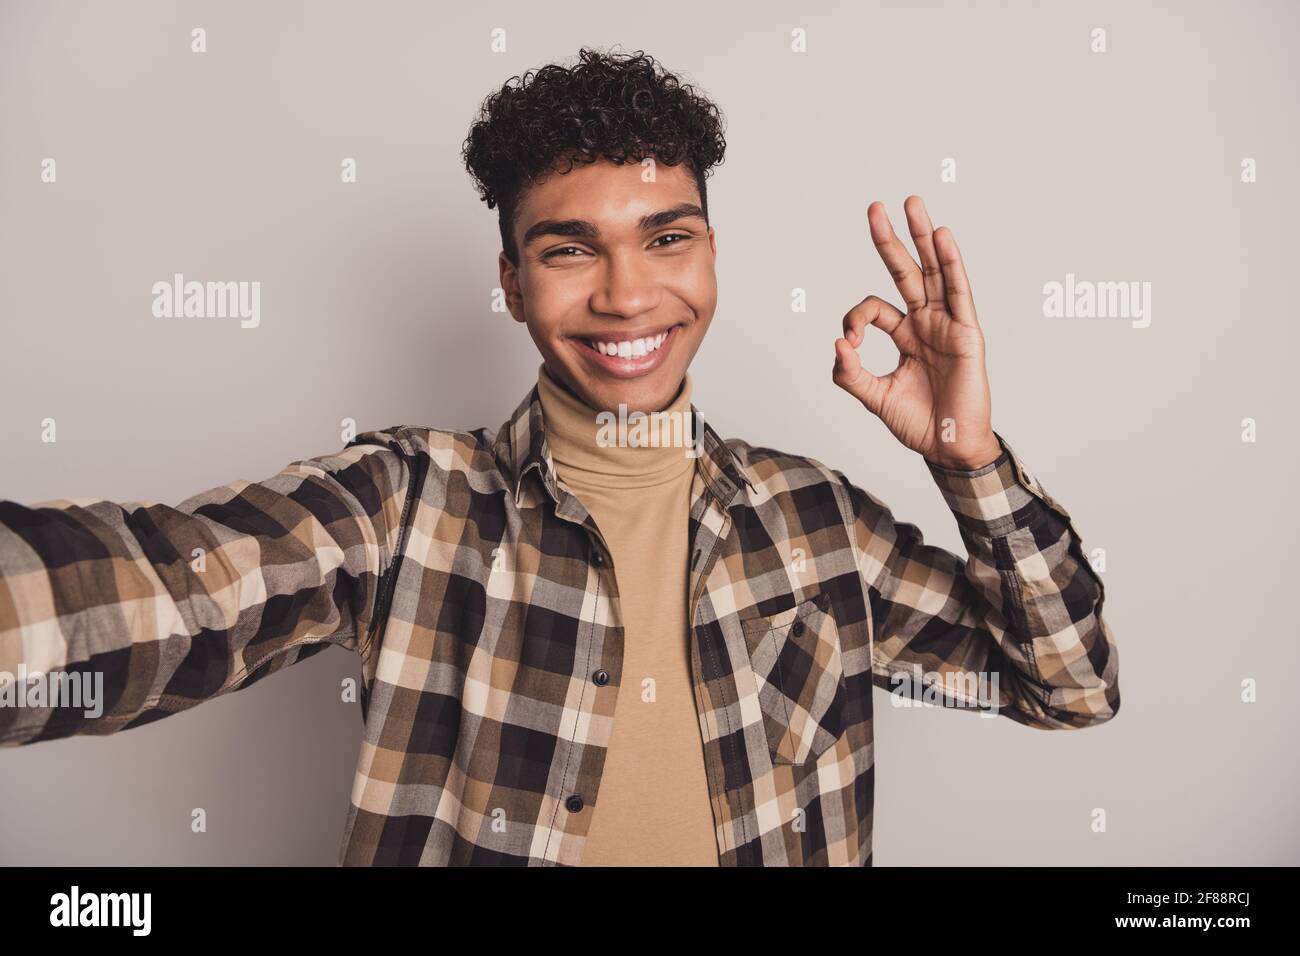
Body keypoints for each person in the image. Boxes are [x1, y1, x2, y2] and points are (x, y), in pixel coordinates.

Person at [0, 46, 1119, 866]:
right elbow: (160, 590)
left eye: (665, 238)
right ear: (510, 280)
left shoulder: (820, 524)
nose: (627, 294)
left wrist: (968, 459)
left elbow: (1069, 684)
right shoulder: (407, 504)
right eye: (569, 248)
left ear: (713, 255)